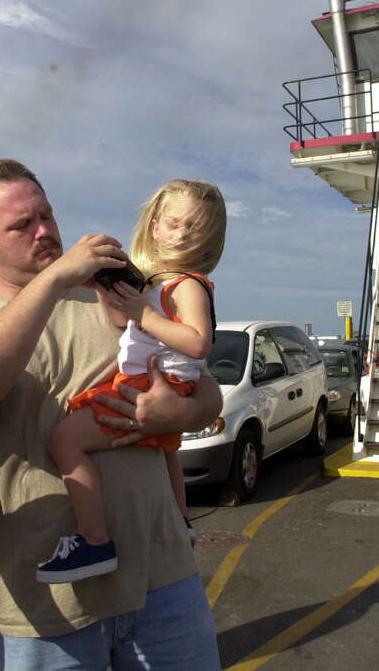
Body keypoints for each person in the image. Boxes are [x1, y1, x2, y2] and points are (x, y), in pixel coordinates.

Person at [0, 159, 223, 669]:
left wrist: (179, 411)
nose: (44, 232)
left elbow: (204, 386)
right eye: (21, 225)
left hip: (163, 577)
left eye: (47, 215)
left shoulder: (116, 300)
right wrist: (58, 277)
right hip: (44, 605)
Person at [38, 179, 225, 584]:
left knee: (65, 440)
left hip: (153, 383)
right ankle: (182, 520)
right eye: (174, 224)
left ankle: (94, 539)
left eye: (194, 228)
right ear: (155, 226)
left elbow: (198, 343)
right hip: (159, 382)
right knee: (165, 451)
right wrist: (107, 289)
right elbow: (125, 322)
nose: (181, 235)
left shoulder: (189, 284)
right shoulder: (158, 283)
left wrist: (146, 313)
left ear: (210, 237)